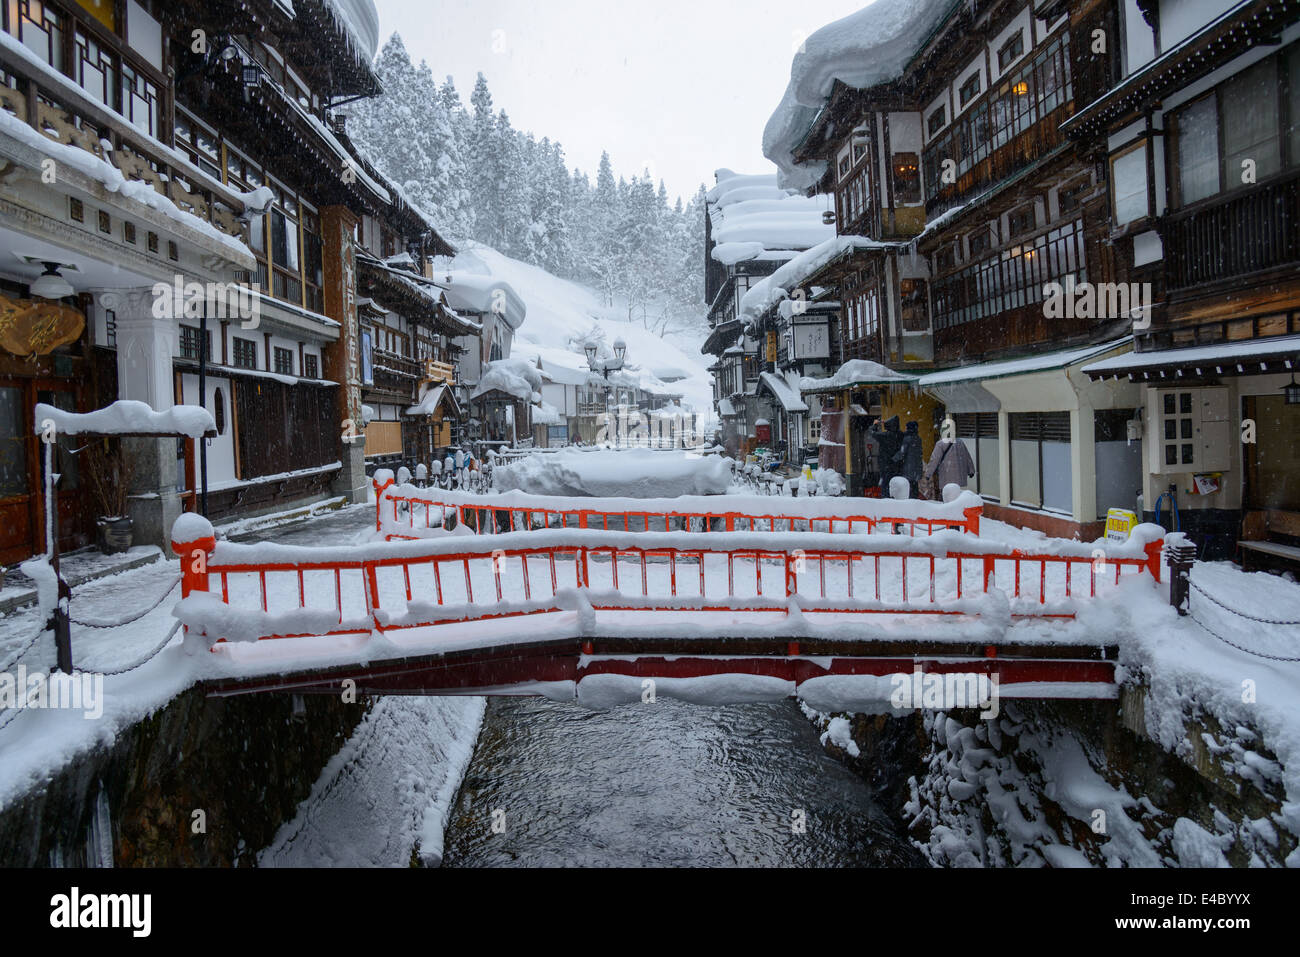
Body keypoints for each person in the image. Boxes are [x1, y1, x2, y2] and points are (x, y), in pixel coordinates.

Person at [875, 416, 903, 495]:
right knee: (896, 484)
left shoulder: (884, 436)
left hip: (886, 465)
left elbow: (873, 433)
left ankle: (886, 499)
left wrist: (875, 425)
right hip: (897, 466)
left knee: (886, 484)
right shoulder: (901, 435)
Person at [897, 421, 924, 497]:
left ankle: (911, 504)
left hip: (908, 468)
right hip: (917, 468)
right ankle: (915, 502)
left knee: (909, 489)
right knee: (915, 487)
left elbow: (902, 453)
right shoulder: (918, 439)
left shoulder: (907, 439)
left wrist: (893, 459)